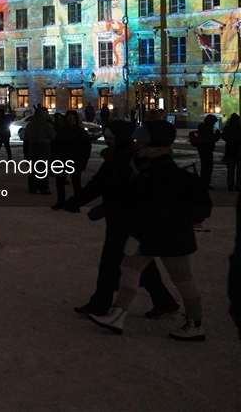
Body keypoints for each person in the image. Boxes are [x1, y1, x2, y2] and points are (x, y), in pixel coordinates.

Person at [87, 120, 212, 341]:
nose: (136, 143)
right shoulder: (148, 165)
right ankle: (119, 315)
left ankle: (195, 323)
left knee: (181, 278)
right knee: (132, 269)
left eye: (141, 139)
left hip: (163, 235)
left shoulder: (159, 169)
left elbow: (149, 200)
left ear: (153, 142)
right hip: (157, 235)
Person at [65, 121, 179, 319]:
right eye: (107, 137)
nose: (108, 141)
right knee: (140, 264)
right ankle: (164, 301)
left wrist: (105, 207)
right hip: (119, 219)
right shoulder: (114, 158)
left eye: (112, 138)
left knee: (110, 263)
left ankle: (100, 304)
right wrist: (75, 201)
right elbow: (98, 185)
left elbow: (131, 193)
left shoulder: (134, 161)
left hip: (130, 221)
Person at [52, 110, 92, 209]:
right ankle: (61, 202)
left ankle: (75, 204)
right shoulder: (62, 131)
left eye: (73, 118)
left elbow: (87, 148)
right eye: (69, 117)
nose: (71, 120)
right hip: (62, 160)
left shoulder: (80, 132)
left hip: (75, 161)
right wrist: (54, 158)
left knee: (76, 183)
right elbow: (55, 146)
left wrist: (83, 162)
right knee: (60, 182)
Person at [23, 107, 55, 195]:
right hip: (43, 150)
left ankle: (32, 187)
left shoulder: (29, 125)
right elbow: (53, 136)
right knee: (43, 170)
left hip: (32, 150)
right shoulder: (46, 125)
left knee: (33, 170)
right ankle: (43, 188)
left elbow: (26, 137)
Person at [196, 114, 221, 189]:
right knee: (208, 166)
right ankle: (205, 183)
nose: (214, 124)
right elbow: (212, 139)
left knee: (204, 166)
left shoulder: (202, 127)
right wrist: (217, 135)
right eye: (213, 122)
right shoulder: (208, 128)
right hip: (207, 149)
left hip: (201, 148)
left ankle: (203, 182)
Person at [221, 113, 240, 192]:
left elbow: (224, 137)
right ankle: (238, 186)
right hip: (239, 152)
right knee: (239, 172)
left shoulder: (227, 128)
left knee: (230, 171)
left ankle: (230, 185)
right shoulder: (240, 128)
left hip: (229, 152)